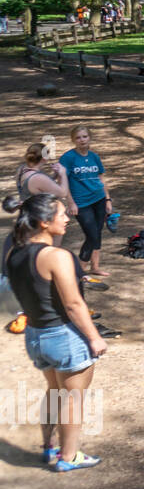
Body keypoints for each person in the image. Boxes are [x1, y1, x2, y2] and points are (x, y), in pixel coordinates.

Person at [3, 193, 107, 471]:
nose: (67, 217)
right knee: (73, 400)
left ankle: (50, 448)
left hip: (36, 336)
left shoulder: (15, 252)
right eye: (60, 214)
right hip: (63, 337)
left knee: (53, 392)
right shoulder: (56, 257)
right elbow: (73, 304)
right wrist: (94, 337)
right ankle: (69, 456)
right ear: (43, 222)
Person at [58, 126, 113, 277]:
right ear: (73, 140)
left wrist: (107, 199)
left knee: (98, 234)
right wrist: (70, 202)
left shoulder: (94, 157)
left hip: (99, 199)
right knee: (92, 235)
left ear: (90, 138)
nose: (82, 140)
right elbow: (63, 181)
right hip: (81, 203)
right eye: (78, 137)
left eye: (84, 136)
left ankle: (95, 267)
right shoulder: (68, 158)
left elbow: (101, 178)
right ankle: (79, 273)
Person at [16, 143, 73, 245]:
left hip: (26, 216)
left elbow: (40, 186)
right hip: (40, 221)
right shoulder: (37, 177)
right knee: (48, 251)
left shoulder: (22, 169)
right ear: (44, 158)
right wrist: (63, 173)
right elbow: (63, 192)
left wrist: (55, 175)